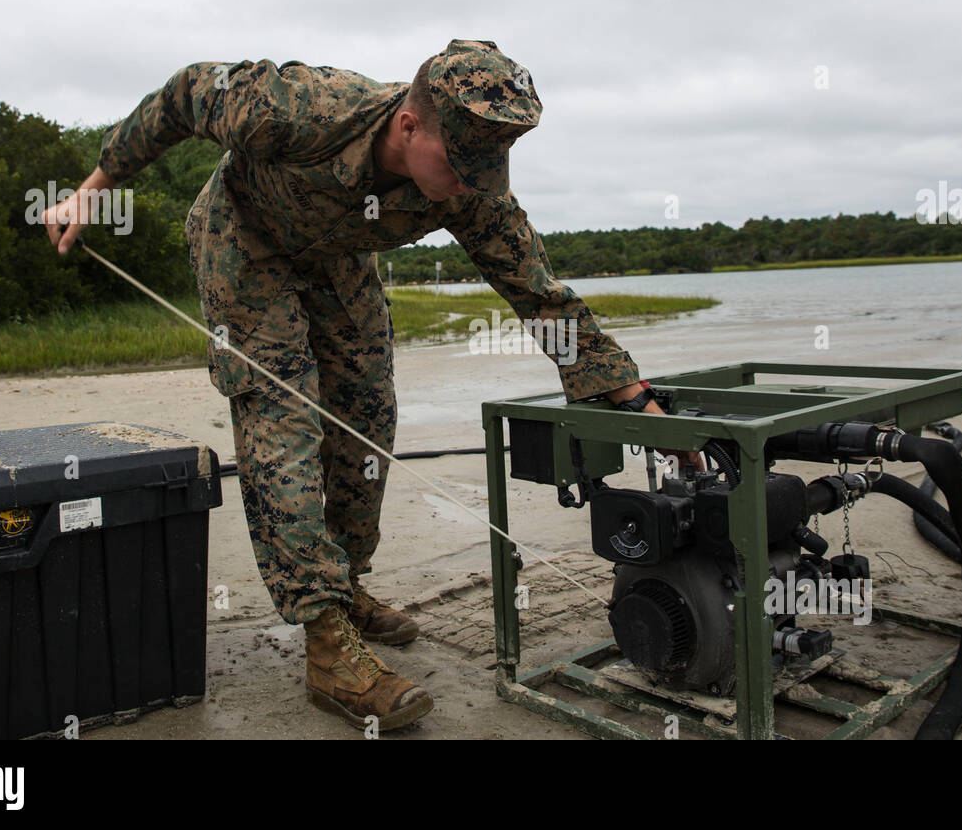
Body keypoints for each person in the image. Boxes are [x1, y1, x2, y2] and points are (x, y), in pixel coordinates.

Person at [44, 39, 699, 732]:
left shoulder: (471, 188)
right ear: (409, 125)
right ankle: (326, 642)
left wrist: (632, 396)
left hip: (336, 256)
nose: (475, 182)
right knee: (283, 413)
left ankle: (345, 582)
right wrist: (92, 193)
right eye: (459, 163)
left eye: (491, 166)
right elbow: (181, 97)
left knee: (368, 412)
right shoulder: (294, 106)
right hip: (244, 242)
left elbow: (537, 292)